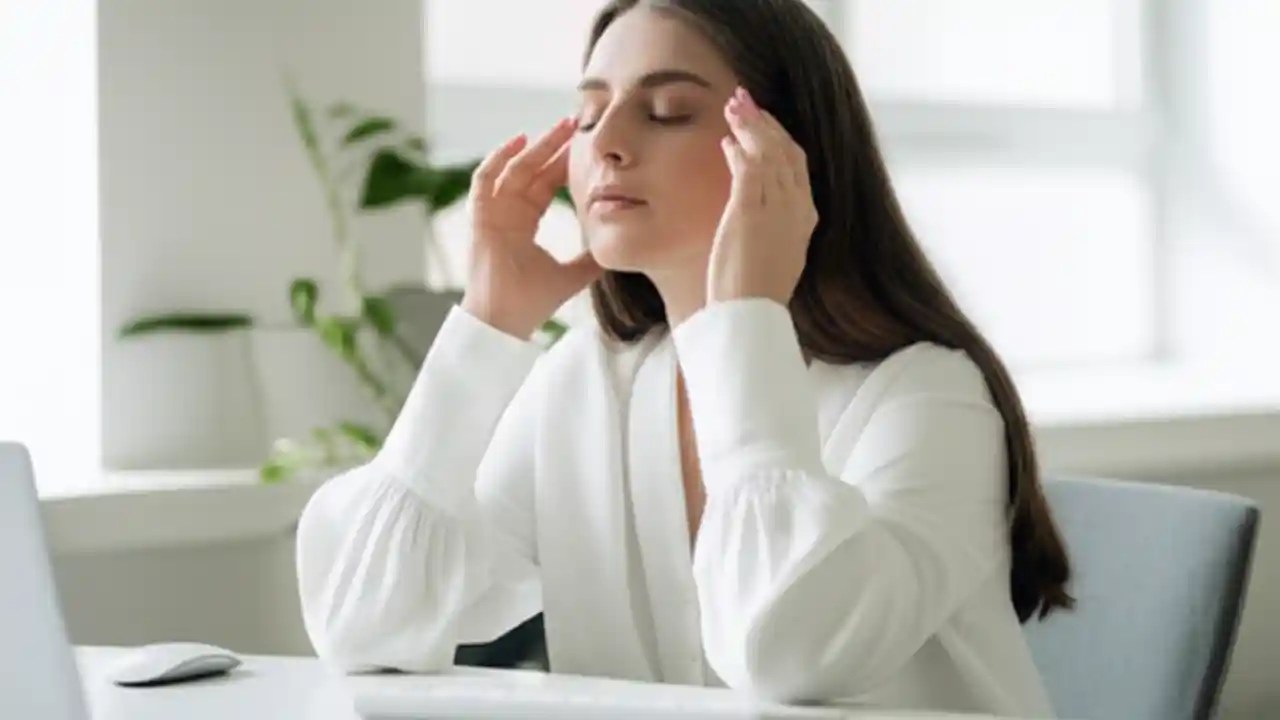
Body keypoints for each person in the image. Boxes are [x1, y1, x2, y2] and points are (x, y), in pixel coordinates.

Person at [295, 0, 1075, 715]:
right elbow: (364, 626)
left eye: (668, 111)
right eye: (588, 112)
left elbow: (795, 656)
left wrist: (741, 317)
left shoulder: (928, 395)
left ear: (786, 153)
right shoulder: (586, 382)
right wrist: (486, 328)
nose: (607, 142)